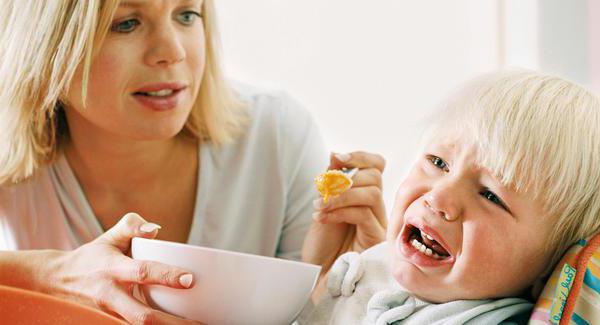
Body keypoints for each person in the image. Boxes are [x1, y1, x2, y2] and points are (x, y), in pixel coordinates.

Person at [0, 0, 386, 324]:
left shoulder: (276, 133)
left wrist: (342, 292)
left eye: (187, 15)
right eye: (126, 23)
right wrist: (48, 272)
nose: (172, 51)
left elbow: (312, 313)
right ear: (46, 43)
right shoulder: (10, 153)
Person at [299, 70, 600, 324]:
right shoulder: (362, 269)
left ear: (548, 268)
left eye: (490, 196)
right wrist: (316, 290)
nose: (438, 198)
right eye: (438, 162)